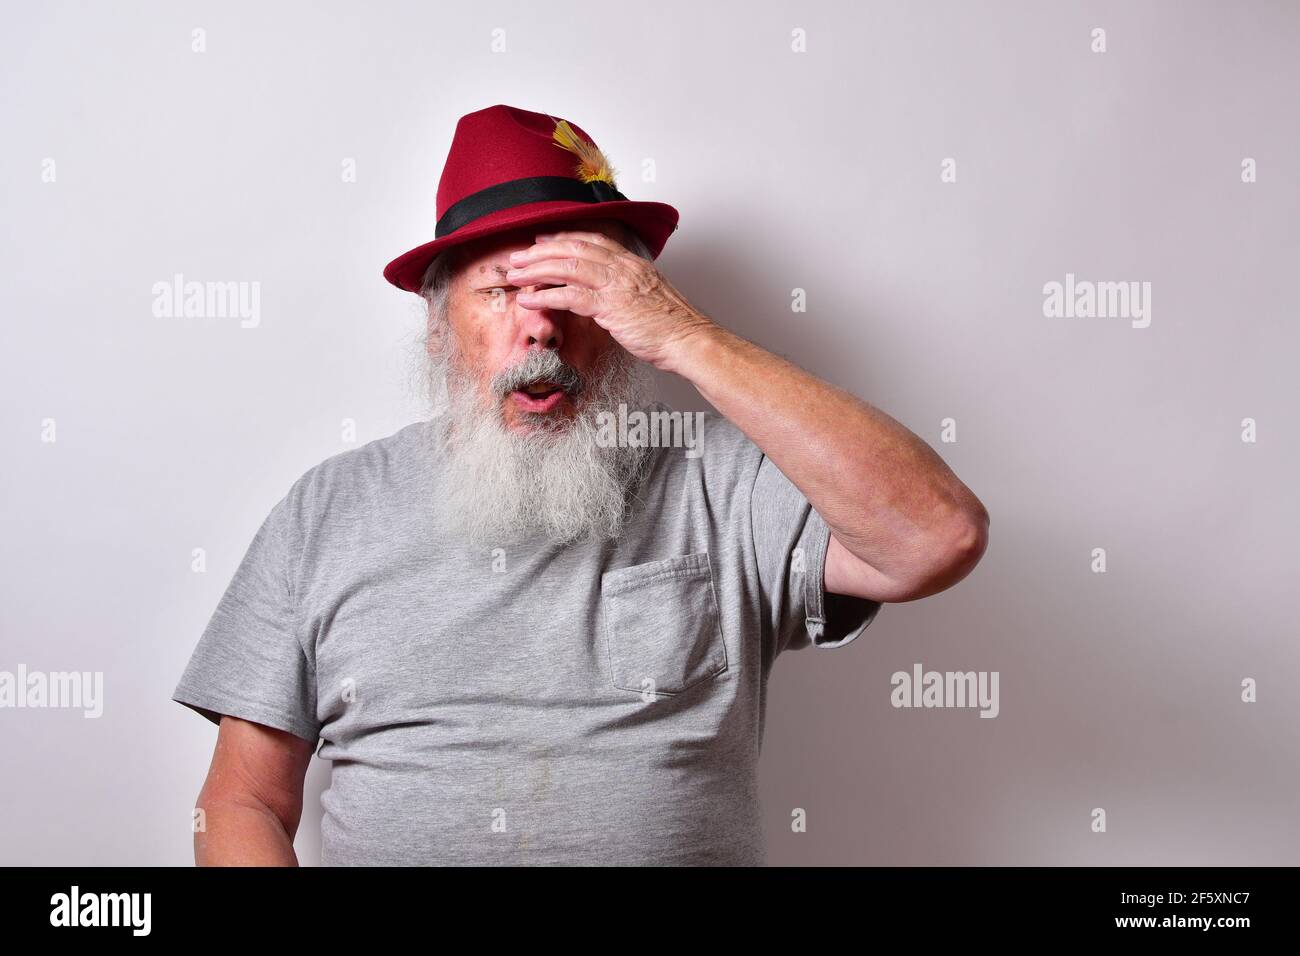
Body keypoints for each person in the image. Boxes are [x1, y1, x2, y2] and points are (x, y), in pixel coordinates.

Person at [174, 104, 989, 865]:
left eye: (576, 290)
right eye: (501, 291)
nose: (541, 324)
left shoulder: (726, 481)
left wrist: (687, 336)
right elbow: (242, 801)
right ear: (435, 326)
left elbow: (937, 537)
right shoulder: (327, 509)